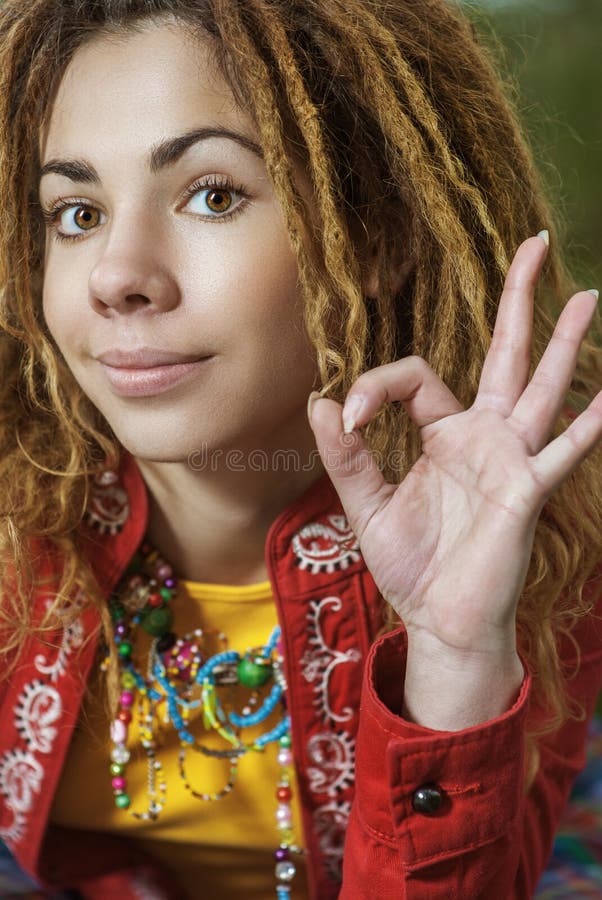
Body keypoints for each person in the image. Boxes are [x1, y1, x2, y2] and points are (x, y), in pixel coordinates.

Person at [0, 0, 600, 897]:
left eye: (212, 194)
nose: (117, 276)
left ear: (380, 237)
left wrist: (455, 663)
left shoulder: (527, 530)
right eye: (76, 212)